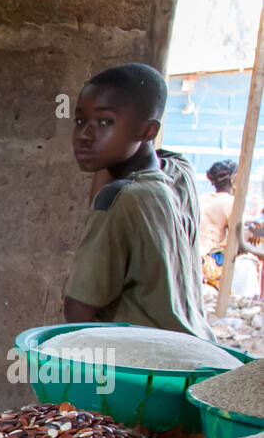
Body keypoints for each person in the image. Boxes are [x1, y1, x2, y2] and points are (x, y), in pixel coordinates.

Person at [65, 62, 213, 340]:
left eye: (106, 121)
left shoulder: (120, 199)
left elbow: (77, 314)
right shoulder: (179, 174)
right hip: (198, 349)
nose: (84, 135)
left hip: (154, 367)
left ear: (148, 131)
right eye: (80, 120)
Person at [199, 159, 236, 287]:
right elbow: (237, 237)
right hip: (208, 260)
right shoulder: (231, 202)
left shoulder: (203, 198)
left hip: (193, 255)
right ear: (233, 179)